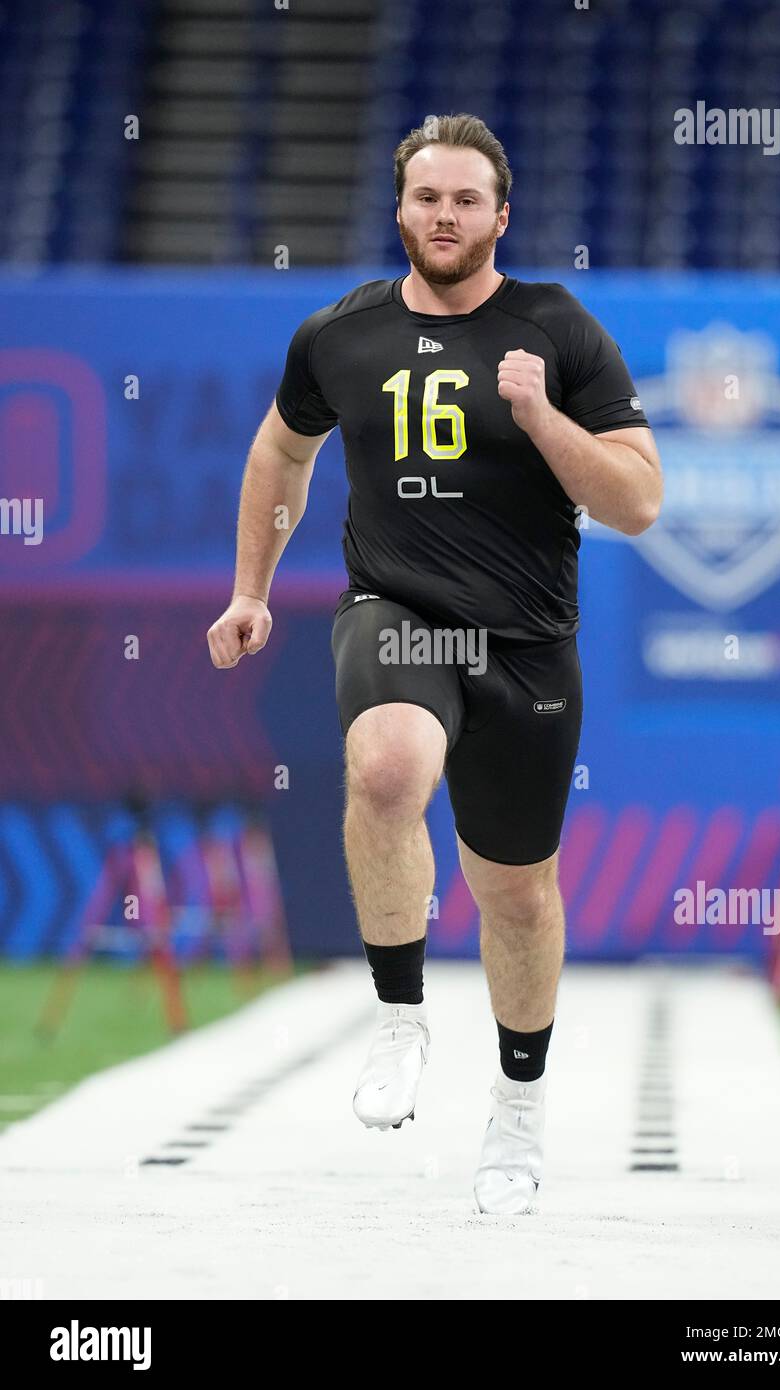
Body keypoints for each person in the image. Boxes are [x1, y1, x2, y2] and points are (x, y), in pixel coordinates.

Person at [207, 113, 662, 1215]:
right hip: (399, 610)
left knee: (514, 892)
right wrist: (251, 589)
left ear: (499, 216)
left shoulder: (557, 327)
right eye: (426, 198)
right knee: (384, 768)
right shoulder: (341, 332)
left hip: (525, 642)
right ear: (398, 208)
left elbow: (637, 502)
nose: (443, 216)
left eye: (465, 200)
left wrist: (540, 416)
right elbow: (281, 444)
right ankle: (399, 1015)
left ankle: (515, 1110)